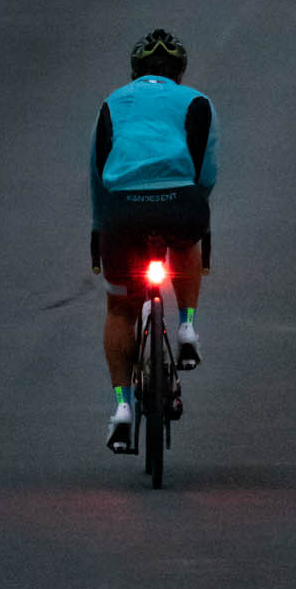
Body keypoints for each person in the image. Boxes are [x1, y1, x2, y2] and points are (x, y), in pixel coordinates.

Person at [89, 27, 219, 452]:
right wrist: (197, 212)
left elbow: (97, 171)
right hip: (179, 202)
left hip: (122, 210)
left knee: (120, 307)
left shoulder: (112, 102)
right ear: (179, 72)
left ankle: (122, 408)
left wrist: (99, 227)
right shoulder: (196, 101)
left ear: (135, 71)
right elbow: (205, 169)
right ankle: (186, 328)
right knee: (184, 242)